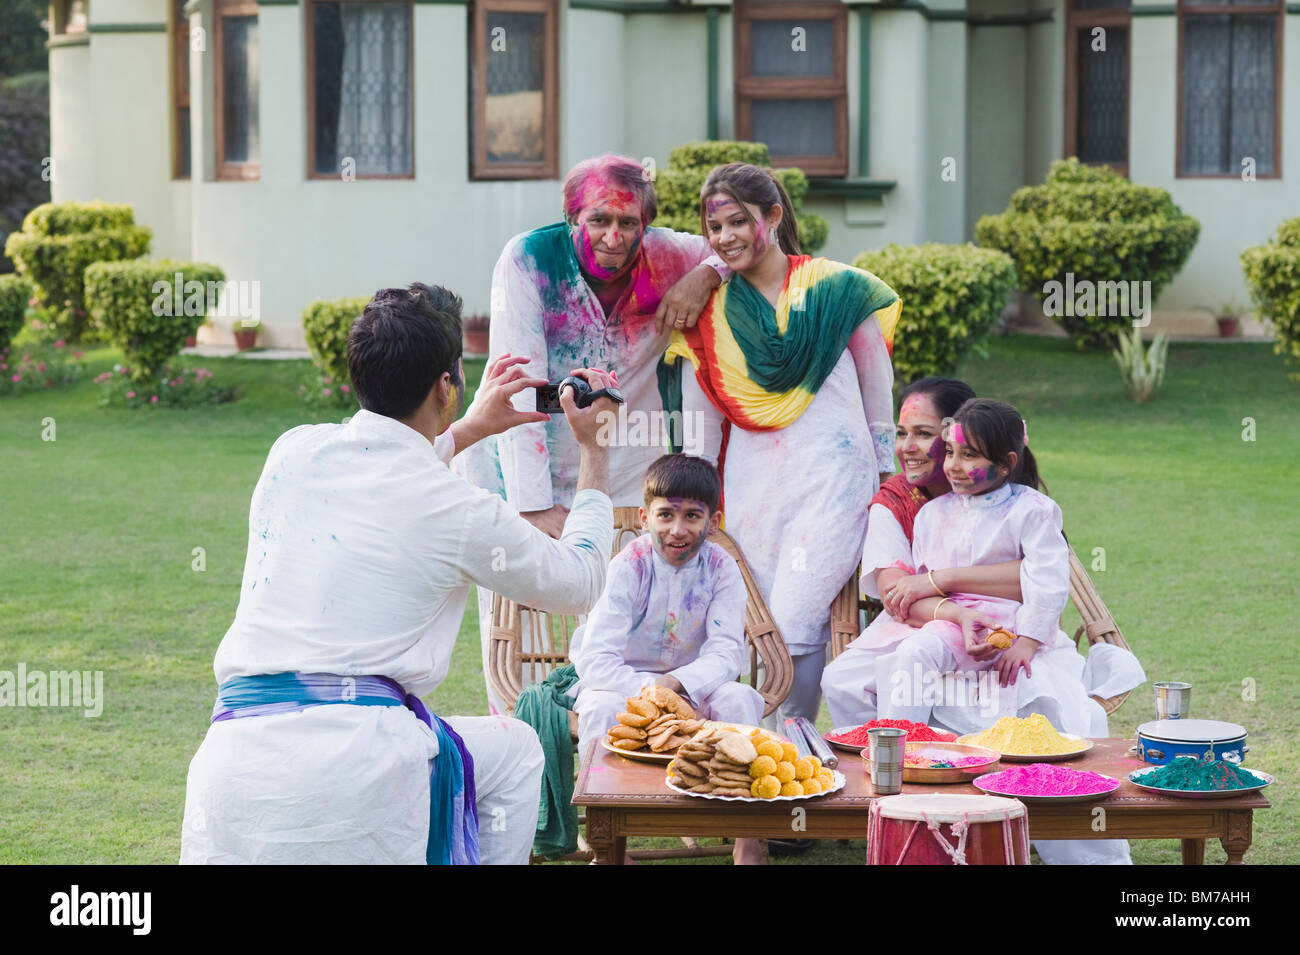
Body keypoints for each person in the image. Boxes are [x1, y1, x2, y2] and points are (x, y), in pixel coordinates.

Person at [180, 283, 621, 865]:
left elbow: (387, 468)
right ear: (446, 386)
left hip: (230, 769)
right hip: (359, 770)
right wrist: (595, 450)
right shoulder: (460, 510)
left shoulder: (291, 453)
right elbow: (580, 580)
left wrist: (467, 429)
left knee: (503, 747)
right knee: (517, 748)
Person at [456, 154, 730, 713]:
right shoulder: (529, 259)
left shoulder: (671, 254)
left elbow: (738, 250)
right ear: (571, 217)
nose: (614, 237)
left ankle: (623, 752)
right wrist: (533, 506)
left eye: (629, 224)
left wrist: (705, 275)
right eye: (598, 220)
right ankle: (529, 751)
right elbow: (522, 384)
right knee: (524, 618)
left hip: (622, 456)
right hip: (517, 458)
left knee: (615, 606)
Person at [658, 162, 900, 726]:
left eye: (739, 222)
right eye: (714, 228)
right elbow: (701, 431)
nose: (725, 238)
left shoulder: (838, 288)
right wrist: (701, 507)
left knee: (794, 617)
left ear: (773, 215)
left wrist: (889, 477)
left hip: (834, 478)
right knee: (756, 618)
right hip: (752, 486)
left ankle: (787, 745)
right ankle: (762, 759)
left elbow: (876, 387)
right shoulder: (707, 313)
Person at [872, 397, 1143, 864]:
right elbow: (926, 586)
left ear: (1006, 463)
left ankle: (1081, 851)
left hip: (1019, 629)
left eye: (970, 456)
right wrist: (955, 620)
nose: (954, 466)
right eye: (951, 452)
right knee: (911, 657)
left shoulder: (1034, 510)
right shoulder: (932, 514)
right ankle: (904, 771)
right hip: (955, 623)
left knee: (1041, 702)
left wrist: (1027, 641)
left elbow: (1048, 580)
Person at [569, 453, 766, 865]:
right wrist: (651, 691)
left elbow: (726, 650)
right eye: (666, 515)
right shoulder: (627, 567)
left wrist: (677, 685)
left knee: (740, 699)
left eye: (693, 516)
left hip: (695, 688)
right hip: (621, 688)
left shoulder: (722, 568)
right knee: (601, 707)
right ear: (645, 518)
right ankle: (610, 849)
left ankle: (749, 838)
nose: (678, 530)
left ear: (713, 522)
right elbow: (596, 659)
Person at [821, 378, 1025, 729]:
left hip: (1005, 624)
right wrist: (959, 614)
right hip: (919, 623)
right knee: (842, 679)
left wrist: (936, 580)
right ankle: (888, 769)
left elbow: (1037, 580)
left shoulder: (1009, 496)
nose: (907, 448)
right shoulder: (896, 502)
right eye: (902, 434)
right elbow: (899, 598)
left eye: (924, 434)